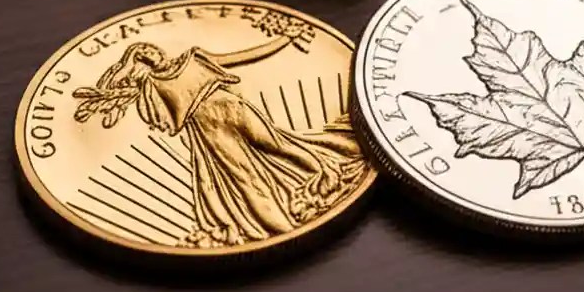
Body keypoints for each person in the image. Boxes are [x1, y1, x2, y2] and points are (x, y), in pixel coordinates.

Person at [74, 23, 366, 248]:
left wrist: (283, 41)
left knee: (279, 145)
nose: (152, 53)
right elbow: (147, 112)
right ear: (140, 62)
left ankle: (328, 175)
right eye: (143, 54)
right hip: (208, 129)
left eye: (150, 48)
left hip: (233, 107)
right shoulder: (150, 87)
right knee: (244, 177)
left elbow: (239, 57)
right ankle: (280, 224)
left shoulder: (194, 58)